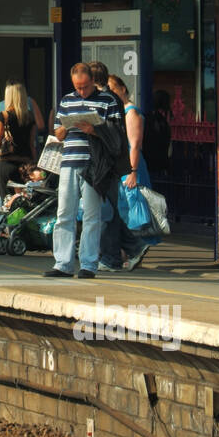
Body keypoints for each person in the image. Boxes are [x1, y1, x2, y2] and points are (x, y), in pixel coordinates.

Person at [48, 63, 123, 279]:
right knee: (64, 213)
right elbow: (57, 133)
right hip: (69, 162)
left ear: (93, 81)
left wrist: (95, 130)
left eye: (85, 87)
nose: (82, 91)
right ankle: (62, 263)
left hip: (94, 164)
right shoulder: (66, 101)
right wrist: (64, 128)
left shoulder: (107, 100)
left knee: (92, 215)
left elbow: (117, 132)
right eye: (78, 87)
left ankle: (88, 264)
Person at [109, 74, 156, 271]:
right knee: (125, 210)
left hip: (131, 167)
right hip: (123, 166)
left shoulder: (131, 113)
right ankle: (129, 252)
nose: (111, 93)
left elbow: (135, 145)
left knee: (134, 209)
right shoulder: (121, 112)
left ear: (123, 88)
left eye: (114, 88)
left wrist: (133, 171)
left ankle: (137, 247)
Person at [89, 62, 127, 273]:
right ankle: (110, 254)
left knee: (107, 213)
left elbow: (112, 133)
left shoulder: (107, 100)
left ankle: (111, 257)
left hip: (106, 164)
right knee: (106, 211)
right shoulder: (111, 99)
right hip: (106, 163)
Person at [0, 80, 44, 194]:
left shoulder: (4, 116)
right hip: (26, 164)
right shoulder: (29, 116)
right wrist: (34, 164)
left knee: (9, 202)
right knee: (25, 200)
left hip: (8, 163)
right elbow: (31, 144)